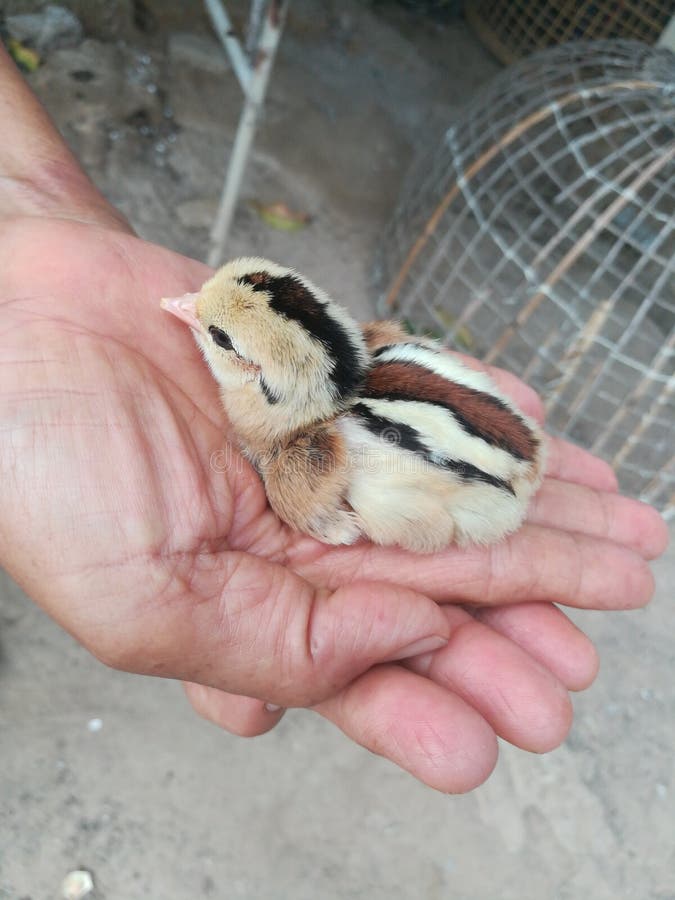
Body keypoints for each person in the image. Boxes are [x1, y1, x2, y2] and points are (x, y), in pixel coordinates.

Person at [0, 45, 668, 793]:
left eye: (212, 333)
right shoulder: (371, 350)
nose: (185, 314)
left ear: (258, 373)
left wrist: (43, 208)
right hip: (465, 432)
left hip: (470, 482)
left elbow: (329, 495)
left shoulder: (296, 458)